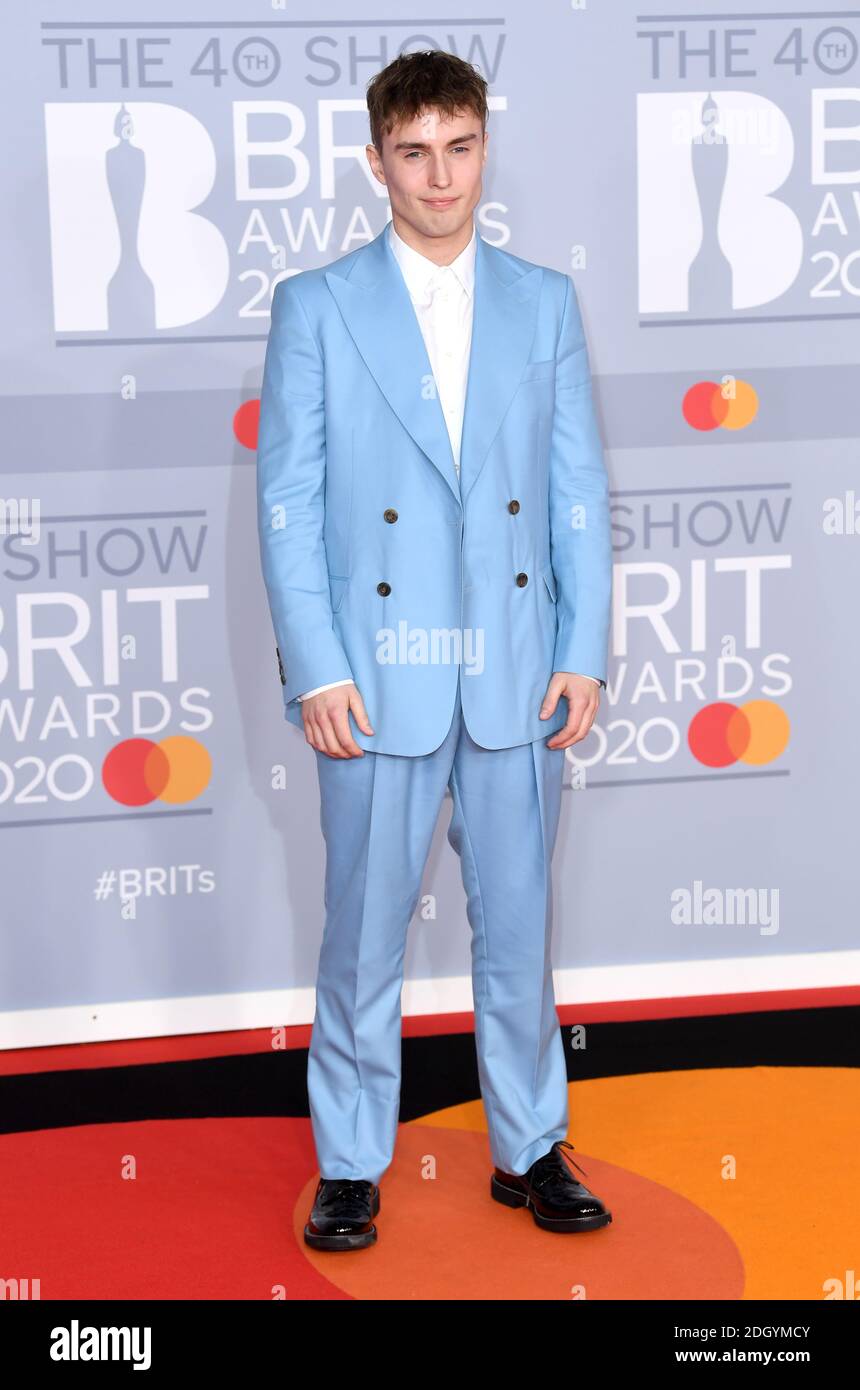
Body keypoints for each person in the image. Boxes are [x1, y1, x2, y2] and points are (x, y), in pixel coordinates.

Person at [256, 50, 613, 1251]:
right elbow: (289, 502)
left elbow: (575, 494)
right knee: (359, 931)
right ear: (376, 162)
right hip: (374, 673)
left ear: (482, 148)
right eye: (413, 151)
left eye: (458, 146)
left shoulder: (543, 301)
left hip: (514, 669)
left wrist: (584, 645)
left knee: (518, 927)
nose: (439, 173)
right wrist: (316, 664)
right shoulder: (315, 304)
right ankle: (351, 1158)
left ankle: (528, 1147)